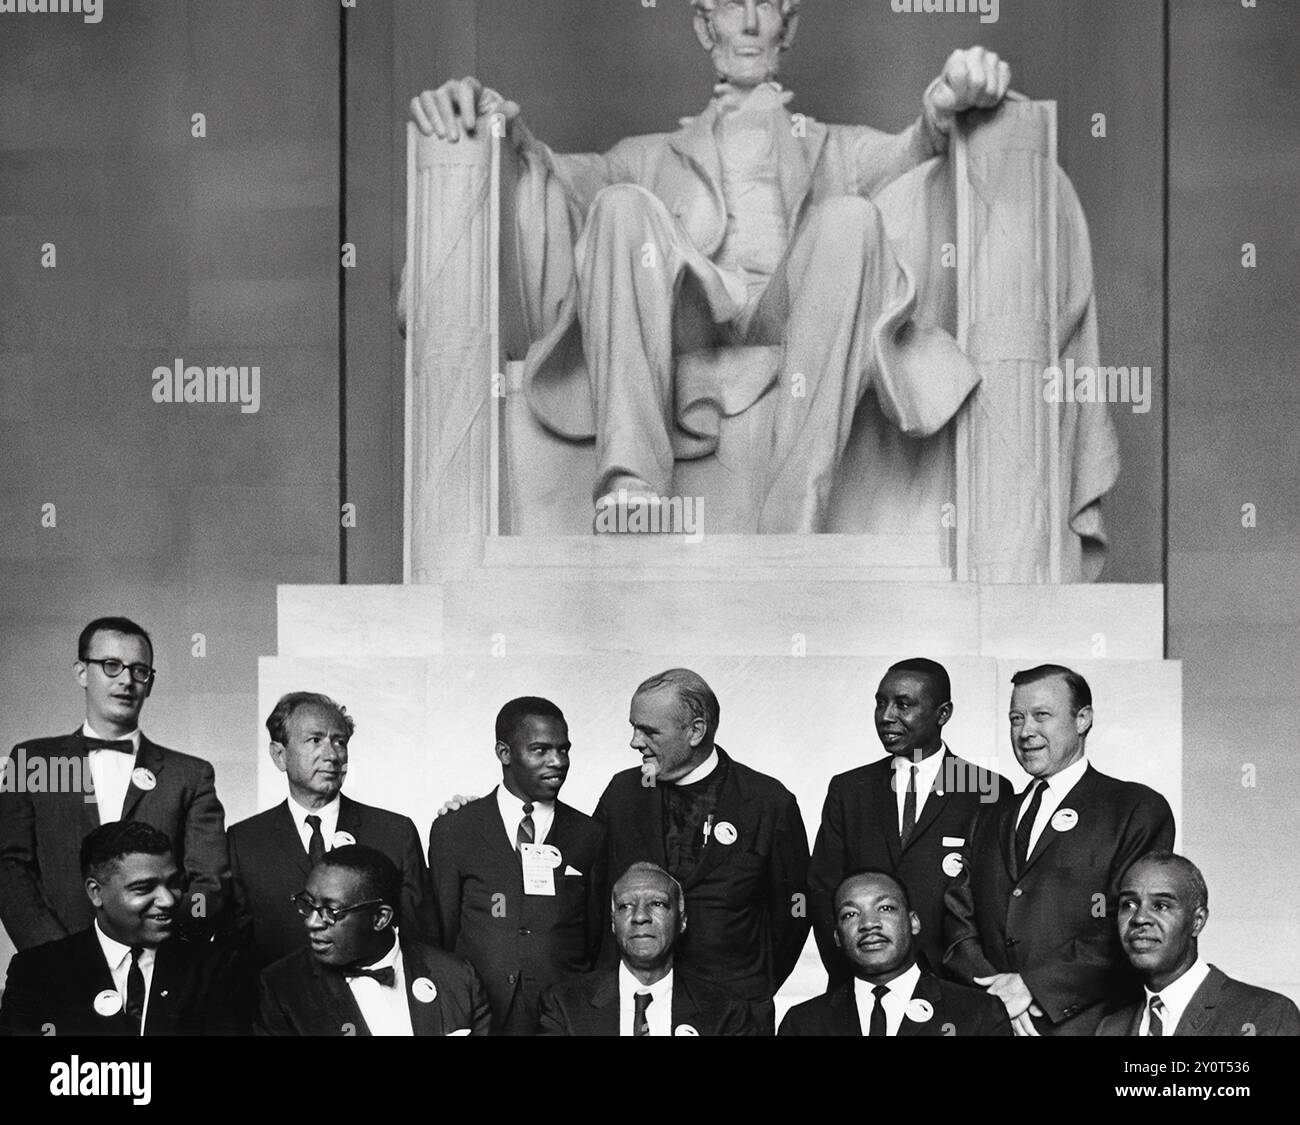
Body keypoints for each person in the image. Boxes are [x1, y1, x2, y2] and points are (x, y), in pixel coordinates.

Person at [409, 2, 1012, 531]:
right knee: (619, 207)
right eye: (729, 4)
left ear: (789, 24)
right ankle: (632, 486)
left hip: (798, 316)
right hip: (690, 315)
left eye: (766, 4)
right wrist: (498, 125)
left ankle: (794, 511)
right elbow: (550, 178)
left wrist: (944, 105)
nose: (749, 22)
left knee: (851, 218)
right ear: (704, 26)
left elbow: (916, 152)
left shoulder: (837, 147)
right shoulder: (645, 157)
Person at [943, 664, 1176, 1036]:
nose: (1025, 731)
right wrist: (999, 993)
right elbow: (957, 919)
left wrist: (1033, 986)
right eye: (1016, 718)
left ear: (1083, 719)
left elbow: (1130, 921)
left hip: (1093, 1026)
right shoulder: (986, 817)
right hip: (990, 1021)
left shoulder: (1135, 809)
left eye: (1041, 716)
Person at [593, 668, 809, 1032]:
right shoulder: (622, 794)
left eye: (648, 731)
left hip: (736, 1014)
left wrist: (752, 987)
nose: (634, 741)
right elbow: (593, 892)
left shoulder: (769, 803)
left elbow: (794, 912)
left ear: (695, 731)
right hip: (636, 1010)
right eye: (633, 727)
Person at [0, 616, 228, 949]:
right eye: (111, 665)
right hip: (53, 969)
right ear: (81, 672)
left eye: (139, 670)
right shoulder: (34, 761)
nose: (126, 680)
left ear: (149, 683)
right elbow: (9, 869)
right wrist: (53, 952)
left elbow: (211, 885)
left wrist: (162, 940)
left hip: (157, 970)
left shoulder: (189, 775)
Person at [809, 658, 1011, 981]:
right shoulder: (849, 790)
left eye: (903, 705)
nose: (887, 716)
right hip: (864, 987)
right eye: (881, 703)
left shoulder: (987, 790)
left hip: (955, 988)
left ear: (943, 714)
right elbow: (822, 892)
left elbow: (991, 900)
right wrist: (851, 973)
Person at [427, 696, 606, 1034]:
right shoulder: (455, 829)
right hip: (479, 1011)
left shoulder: (589, 834)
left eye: (564, 749)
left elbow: (596, 935)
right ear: (504, 753)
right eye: (540, 750)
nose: (557, 762)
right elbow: (443, 930)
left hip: (563, 1014)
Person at [226, 691, 435, 966]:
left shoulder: (395, 832)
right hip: (277, 1004)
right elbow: (235, 952)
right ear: (279, 755)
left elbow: (420, 942)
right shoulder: (244, 840)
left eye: (339, 741)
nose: (332, 755)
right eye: (315, 740)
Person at [0, 822, 249, 1036]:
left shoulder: (215, 967)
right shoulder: (36, 972)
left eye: (173, 884)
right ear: (95, 892)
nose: (169, 900)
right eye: (144, 888)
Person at [255, 844, 489, 1037]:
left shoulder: (458, 978)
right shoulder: (282, 988)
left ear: (380, 918)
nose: (312, 922)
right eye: (308, 904)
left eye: (331, 911)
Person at [780, 869, 1008, 1036]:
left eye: (885, 908)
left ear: (914, 922)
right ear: (838, 937)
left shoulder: (979, 1013)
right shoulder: (803, 1024)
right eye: (850, 914)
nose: (869, 923)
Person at [1096, 851, 1300, 1037]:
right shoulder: (1110, 1028)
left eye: (1160, 905)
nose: (1139, 918)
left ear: (1197, 921)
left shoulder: (1267, 1014)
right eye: (1128, 904)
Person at [538, 861, 755, 1036]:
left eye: (657, 904)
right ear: (613, 923)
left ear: (682, 920)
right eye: (625, 906)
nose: (640, 916)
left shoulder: (726, 1013)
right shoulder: (564, 1006)